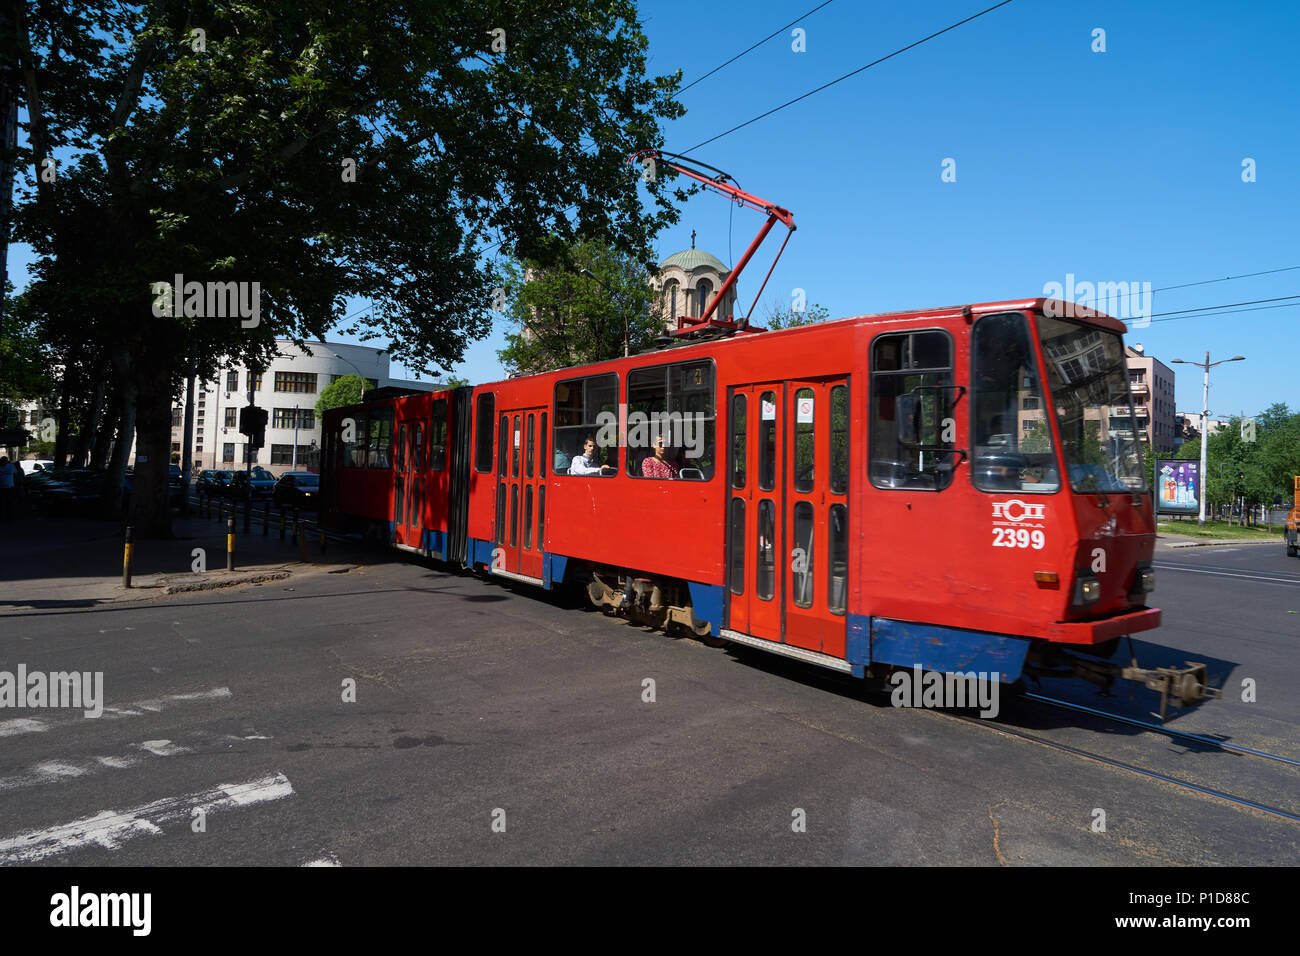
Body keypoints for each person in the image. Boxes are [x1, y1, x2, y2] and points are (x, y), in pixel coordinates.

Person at [0, 457, 15, 521]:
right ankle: (4, 517)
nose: (4, 462)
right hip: (1, 488)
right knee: (2, 503)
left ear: (7, 461)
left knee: (9, 503)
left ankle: (9, 517)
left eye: (5, 461)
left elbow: (15, 475)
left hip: (10, 488)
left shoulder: (11, 466)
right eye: (2, 461)